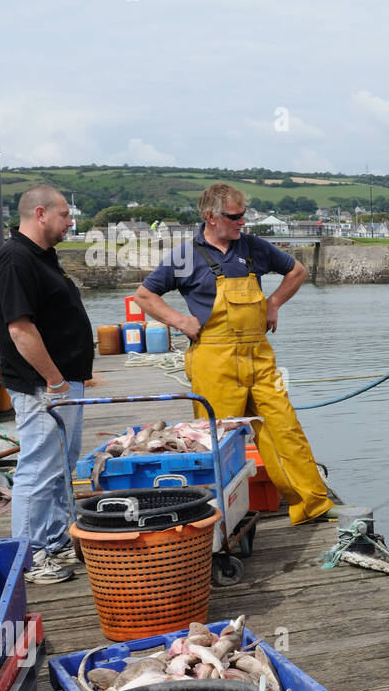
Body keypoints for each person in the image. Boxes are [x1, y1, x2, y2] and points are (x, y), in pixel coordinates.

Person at [134, 183, 335, 524]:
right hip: (214, 361)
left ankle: (312, 505)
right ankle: (211, 516)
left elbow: (296, 271)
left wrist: (273, 303)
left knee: (285, 428)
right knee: (214, 440)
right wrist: (180, 321)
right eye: (235, 216)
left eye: (244, 215)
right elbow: (144, 295)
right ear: (211, 217)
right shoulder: (186, 256)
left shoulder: (254, 247)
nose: (243, 222)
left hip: (259, 356)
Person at [0, 185, 91, 585]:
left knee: (60, 467)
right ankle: (27, 558)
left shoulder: (41, 257)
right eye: (65, 215)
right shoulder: (15, 261)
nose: (70, 222)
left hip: (62, 383)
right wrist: (55, 380)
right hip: (43, 387)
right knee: (38, 469)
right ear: (41, 214)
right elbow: (21, 329)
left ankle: (55, 539)